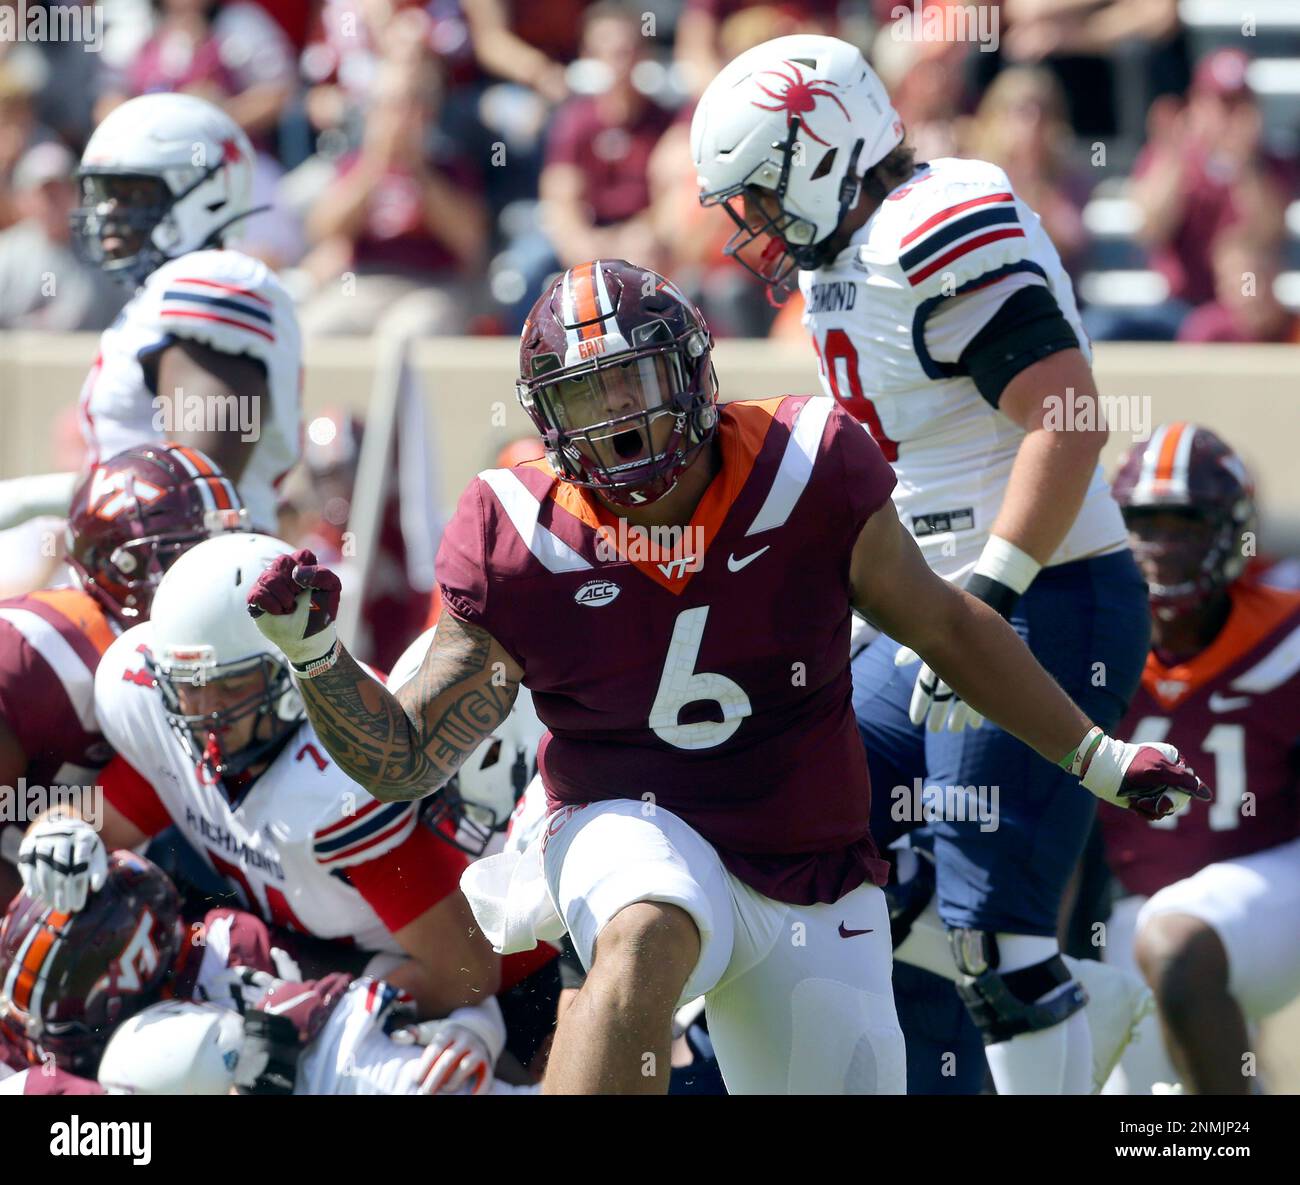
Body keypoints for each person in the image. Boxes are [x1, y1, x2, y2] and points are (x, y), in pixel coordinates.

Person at [244, 257, 1204, 1095]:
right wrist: (315, 655)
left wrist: (1101, 757)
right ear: (547, 418)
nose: (620, 420)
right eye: (589, 398)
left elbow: (948, 626)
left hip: (811, 858)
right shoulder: (516, 533)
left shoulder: (810, 465)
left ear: (695, 371)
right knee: (645, 923)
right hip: (623, 815)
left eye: (636, 383)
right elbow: (406, 757)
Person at [692, 34, 1158, 1094]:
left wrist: (987, 593)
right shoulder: (847, 255)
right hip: (925, 617)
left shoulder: (935, 226)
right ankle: (1095, 1010)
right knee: (800, 851)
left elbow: (1070, 416)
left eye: (761, 193)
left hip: (1044, 596)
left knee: (993, 937)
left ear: (822, 150)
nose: (753, 225)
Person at [17, 532, 499, 1018]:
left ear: (289, 674)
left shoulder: (341, 783)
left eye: (228, 688)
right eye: (190, 686)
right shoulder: (171, 725)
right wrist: (59, 830)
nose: (204, 712)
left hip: (469, 986)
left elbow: (464, 975)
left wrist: (309, 1013)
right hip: (296, 951)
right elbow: (97, 824)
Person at [1101, 424, 1300, 1094]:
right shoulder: (1082, 636)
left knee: (1175, 941)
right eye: (1145, 522)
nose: (1164, 546)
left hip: (1276, 878)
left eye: (1187, 522)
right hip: (1133, 903)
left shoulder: (1285, 634)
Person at [0, 851, 512, 1095]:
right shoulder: (36, 1079)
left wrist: (471, 1029)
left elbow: (441, 988)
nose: (33, 1021)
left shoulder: (227, 948)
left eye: (54, 996)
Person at [0, 444, 245, 903]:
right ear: (118, 562)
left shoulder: (202, 659)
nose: (216, 576)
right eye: (185, 556)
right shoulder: (39, 652)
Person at [57, 92, 302, 534]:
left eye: (131, 193)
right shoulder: (155, 297)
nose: (110, 213)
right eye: (104, 194)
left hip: (194, 581)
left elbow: (193, 496)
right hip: (148, 568)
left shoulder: (212, 280)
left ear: (209, 195)